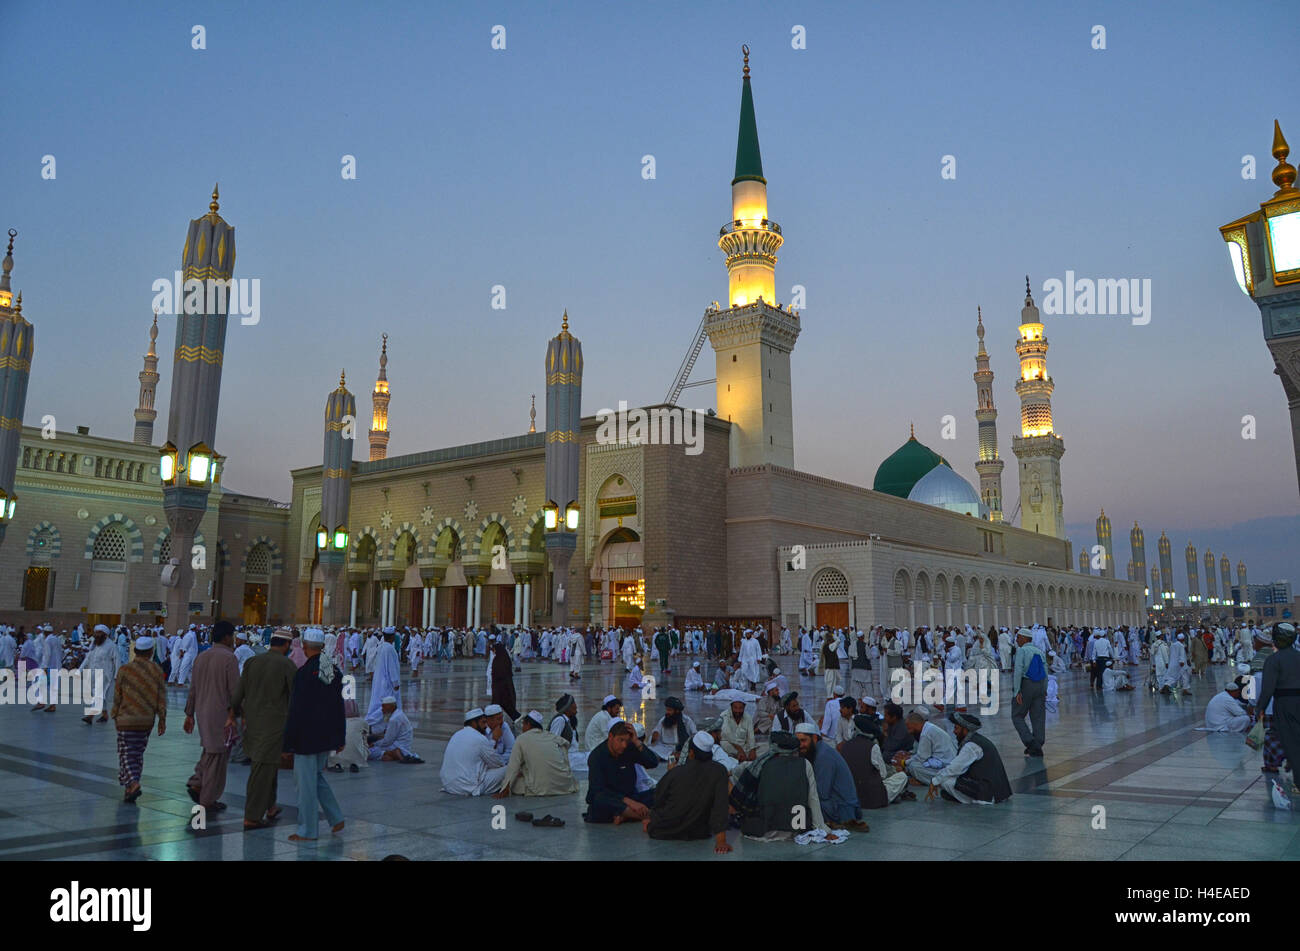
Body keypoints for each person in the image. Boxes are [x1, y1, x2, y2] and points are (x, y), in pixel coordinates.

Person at [282, 629, 346, 841]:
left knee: (305, 785)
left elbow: (296, 710)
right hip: (325, 735)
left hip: (307, 737)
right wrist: (340, 736)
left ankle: (307, 830)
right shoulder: (333, 670)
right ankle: (336, 817)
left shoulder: (304, 674)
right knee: (316, 778)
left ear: (305, 647)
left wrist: (288, 742)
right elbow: (339, 706)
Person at [231, 628, 298, 830]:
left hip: (252, 725)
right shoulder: (287, 664)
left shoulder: (253, 661)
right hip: (274, 727)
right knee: (261, 772)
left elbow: (237, 695)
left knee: (267, 767)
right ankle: (251, 817)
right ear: (286, 645)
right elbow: (296, 698)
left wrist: (235, 715)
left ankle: (271, 806)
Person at [183, 620, 241, 814]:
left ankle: (197, 782)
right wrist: (237, 714)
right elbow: (235, 691)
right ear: (226, 637)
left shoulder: (201, 656)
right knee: (218, 755)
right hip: (221, 713)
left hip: (202, 711)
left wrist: (189, 713)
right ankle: (206, 800)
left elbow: (193, 689)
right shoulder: (229, 658)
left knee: (210, 749)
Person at [644, 732, 732, 853]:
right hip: (699, 831)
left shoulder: (676, 772)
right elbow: (720, 807)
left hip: (664, 830)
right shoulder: (720, 771)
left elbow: (658, 798)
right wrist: (721, 841)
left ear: (691, 753)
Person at [111, 636, 167, 803]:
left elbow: (117, 696)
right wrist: (162, 719)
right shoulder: (156, 670)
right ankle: (129, 789)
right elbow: (161, 697)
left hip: (126, 719)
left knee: (126, 754)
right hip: (146, 720)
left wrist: (114, 714)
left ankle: (133, 783)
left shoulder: (125, 670)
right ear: (151, 652)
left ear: (135, 651)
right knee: (137, 754)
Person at [1255, 622, 1300, 807]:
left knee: (1292, 742)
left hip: (1285, 705)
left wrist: (1260, 709)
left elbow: (1267, 690)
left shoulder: (1273, 660)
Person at [925, 712, 1012, 804]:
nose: (954, 731)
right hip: (999, 792)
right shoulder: (977, 740)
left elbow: (954, 769)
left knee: (944, 781)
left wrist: (934, 781)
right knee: (945, 778)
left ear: (965, 729)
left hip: (989, 793)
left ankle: (970, 799)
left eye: (956, 728)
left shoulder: (971, 745)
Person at [795, 723, 868, 831]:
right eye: (798, 741)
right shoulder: (818, 751)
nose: (800, 745)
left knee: (800, 806)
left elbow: (821, 793)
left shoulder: (823, 757)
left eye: (803, 740)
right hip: (836, 805)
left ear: (814, 738)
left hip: (842, 810)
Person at [584, 721, 660, 823]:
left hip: (632, 796)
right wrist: (630, 803)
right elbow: (598, 790)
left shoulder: (628, 748)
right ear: (610, 736)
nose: (624, 745)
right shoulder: (597, 756)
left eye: (627, 741)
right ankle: (647, 815)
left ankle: (624, 815)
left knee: (659, 792)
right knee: (598, 802)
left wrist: (637, 742)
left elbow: (653, 763)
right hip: (612, 800)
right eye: (620, 740)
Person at [494, 710, 578, 797]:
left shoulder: (521, 738)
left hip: (542, 787)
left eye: (523, 725)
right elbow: (565, 744)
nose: (522, 728)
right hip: (564, 785)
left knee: (514, 784)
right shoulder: (551, 736)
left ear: (528, 724)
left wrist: (505, 788)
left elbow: (513, 766)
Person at [841, 714, 909, 807]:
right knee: (902, 776)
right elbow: (883, 774)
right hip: (872, 799)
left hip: (852, 796)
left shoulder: (845, 746)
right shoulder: (872, 746)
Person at [441, 708, 508, 796]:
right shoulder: (479, 738)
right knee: (509, 768)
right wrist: (495, 739)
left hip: (449, 786)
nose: (485, 726)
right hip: (467, 787)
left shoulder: (457, 734)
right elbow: (497, 764)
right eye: (483, 722)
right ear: (473, 723)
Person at [1011, 628, 1047, 757]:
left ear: (1025, 638)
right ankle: (1039, 742)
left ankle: (1030, 742)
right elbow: (1046, 671)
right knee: (1038, 716)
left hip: (1027, 685)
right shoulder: (1039, 651)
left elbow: (1018, 671)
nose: (1017, 640)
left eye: (1018, 637)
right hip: (1040, 685)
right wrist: (1045, 689)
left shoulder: (1022, 650)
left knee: (1017, 715)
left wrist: (1017, 691)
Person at [895, 711, 957, 785]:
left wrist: (903, 762)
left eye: (909, 728)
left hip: (945, 766)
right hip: (943, 762)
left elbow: (922, 758)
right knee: (912, 763)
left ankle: (932, 782)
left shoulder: (925, 733)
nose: (909, 731)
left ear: (915, 724)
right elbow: (923, 754)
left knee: (914, 766)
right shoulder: (928, 728)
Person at [79, 624, 120, 725]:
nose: (96, 635)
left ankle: (90, 716)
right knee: (98, 695)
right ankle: (105, 715)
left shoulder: (111, 646)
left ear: (105, 635)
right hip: (93, 673)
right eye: (96, 633)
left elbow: (117, 660)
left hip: (105, 675)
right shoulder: (94, 644)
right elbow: (87, 658)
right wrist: (79, 670)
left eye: (99, 633)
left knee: (99, 695)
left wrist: (117, 675)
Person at [366, 628, 402, 728]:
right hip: (387, 682)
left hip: (379, 680)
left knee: (378, 701)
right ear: (391, 637)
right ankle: (372, 721)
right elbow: (392, 667)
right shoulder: (389, 649)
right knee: (386, 702)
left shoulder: (381, 647)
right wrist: (395, 683)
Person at [648, 697, 696, 762]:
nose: (667, 712)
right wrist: (653, 738)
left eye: (669, 710)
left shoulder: (687, 721)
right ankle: (673, 757)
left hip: (682, 749)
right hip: (666, 748)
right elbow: (653, 739)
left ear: (677, 711)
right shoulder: (663, 720)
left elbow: (695, 736)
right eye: (667, 710)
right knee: (650, 749)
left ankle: (674, 757)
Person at [368, 696, 417, 761]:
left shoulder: (394, 719)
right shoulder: (399, 713)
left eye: (384, 706)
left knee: (369, 752)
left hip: (399, 746)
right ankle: (389, 755)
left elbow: (387, 741)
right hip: (404, 745)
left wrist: (374, 744)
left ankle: (391, 753)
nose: (382, 709)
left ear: (390, 707)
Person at [720, 698, 757, 762]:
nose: (738, 711)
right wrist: (739, 750)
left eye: (740, 708)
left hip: (744, 747)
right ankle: (739, 756)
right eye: (735, 708)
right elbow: (727, 734)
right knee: (723, 743)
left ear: (744, 708)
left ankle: (743, 757)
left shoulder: (748, 717)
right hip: (730, 745)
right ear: (731, 707)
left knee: (765, 747)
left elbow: (751, 735)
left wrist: (752, 750)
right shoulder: (724, 715)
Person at [491, 641, 520, 720]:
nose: (493, 651)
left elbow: (499, 673)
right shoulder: (503, 658)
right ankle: (516, 717)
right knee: (505, 704)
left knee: (499, 703)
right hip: (503, 686)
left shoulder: (499, 660)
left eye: (494, 650)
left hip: (501, 687)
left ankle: (494, 719)